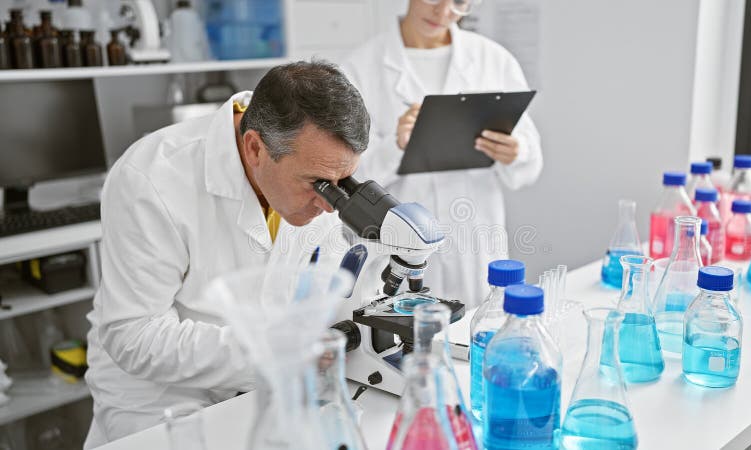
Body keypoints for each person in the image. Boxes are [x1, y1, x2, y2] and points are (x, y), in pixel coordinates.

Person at [84, 61, 370, 447]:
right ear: (255, 148)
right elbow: (133, 335)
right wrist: (274, 351)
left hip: (267, 386)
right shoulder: (150, 178)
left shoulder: (308, 163)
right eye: (317, 184)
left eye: (341, 184)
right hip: (158, 401)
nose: (331, 205)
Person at [342, 0, 543, 308]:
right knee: (397, 338)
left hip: (475, 242)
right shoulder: (360, 68)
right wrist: (395, 146)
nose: (444, 11)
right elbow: (343, 177)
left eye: (460, 2)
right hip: (397, 244)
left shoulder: (493, 59)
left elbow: (530, 166)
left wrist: (517, 151)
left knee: (474, 333)